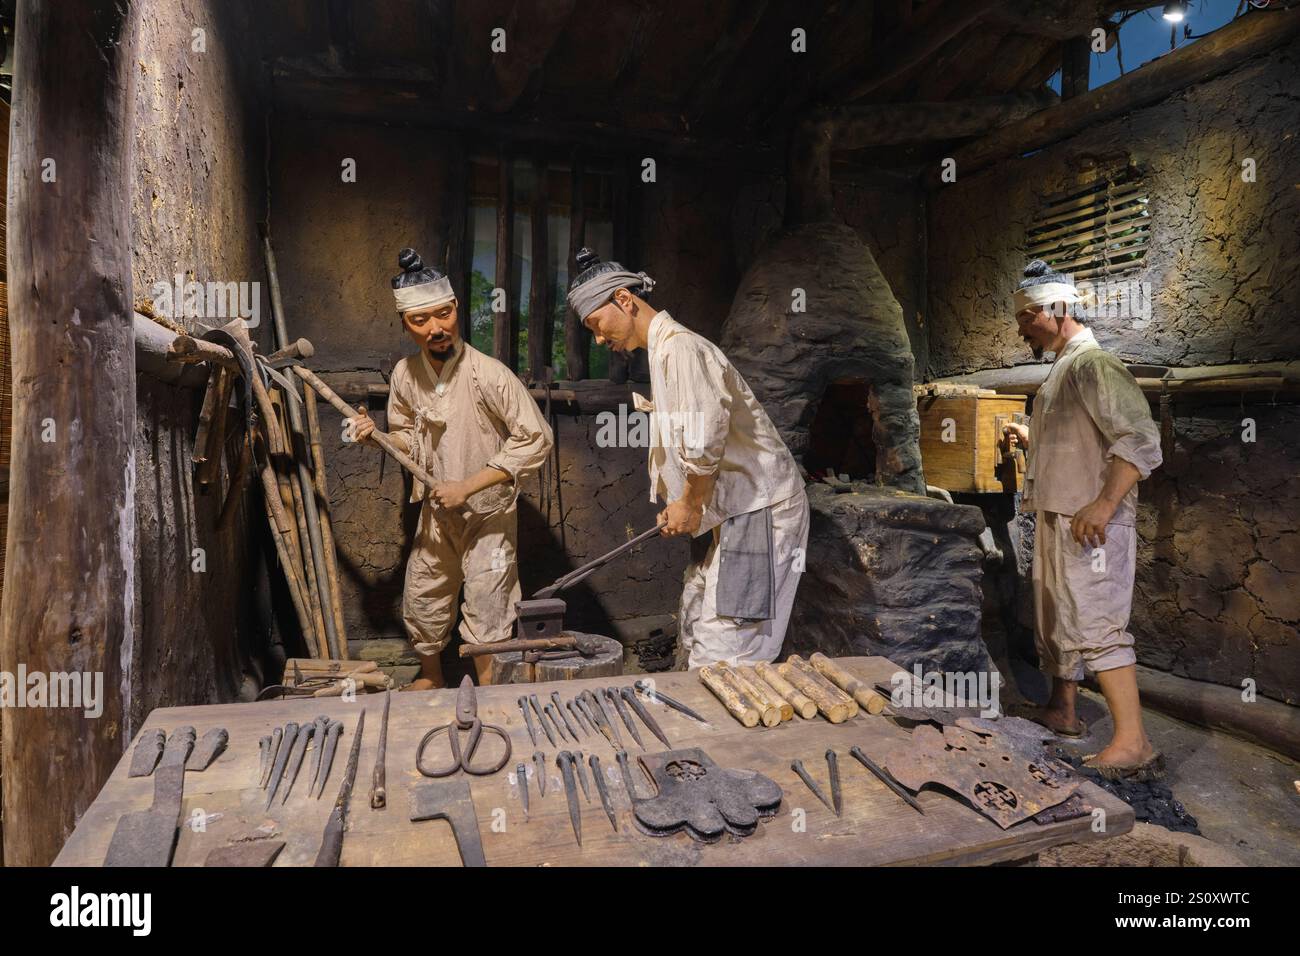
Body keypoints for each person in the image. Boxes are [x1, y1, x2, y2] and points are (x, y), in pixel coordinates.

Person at [566, 248, 809, 668]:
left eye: (596, 325)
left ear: (624, 299)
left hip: (759, 510)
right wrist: (681, 504)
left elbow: (703, 446)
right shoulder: (662, 352)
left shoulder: (681, 350)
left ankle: (737, 733)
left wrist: (690, 504)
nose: (600, 339)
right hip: (733, 510)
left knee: (729, 652)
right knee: (698, 625)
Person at [352, 249, 552, 689]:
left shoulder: (489, 374)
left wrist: (468, 486)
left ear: (456, 309)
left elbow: (536, 439)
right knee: (425, 591)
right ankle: (432, 678)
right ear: (406, 324)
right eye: (421, 320)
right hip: (436, 511)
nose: (436, 328)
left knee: (488, 599)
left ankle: (489, 688)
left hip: (488, 514)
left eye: (443, 314)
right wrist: (378, 437)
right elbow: (407, 437)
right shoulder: (405, 374)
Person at [1003, 259, 1164, 779]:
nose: (1023, 326)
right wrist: (1035, 439)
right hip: (1060, 515)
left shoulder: (1094, 365)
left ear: (1056, 309)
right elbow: (1085, 438)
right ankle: (1064, 710)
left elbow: (1139, 440)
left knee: (1096, 622)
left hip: (1091, 520)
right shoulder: (1062, 370)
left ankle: (1134, 743)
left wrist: (1104, 503)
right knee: (1057, 616)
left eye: (1028, 316)